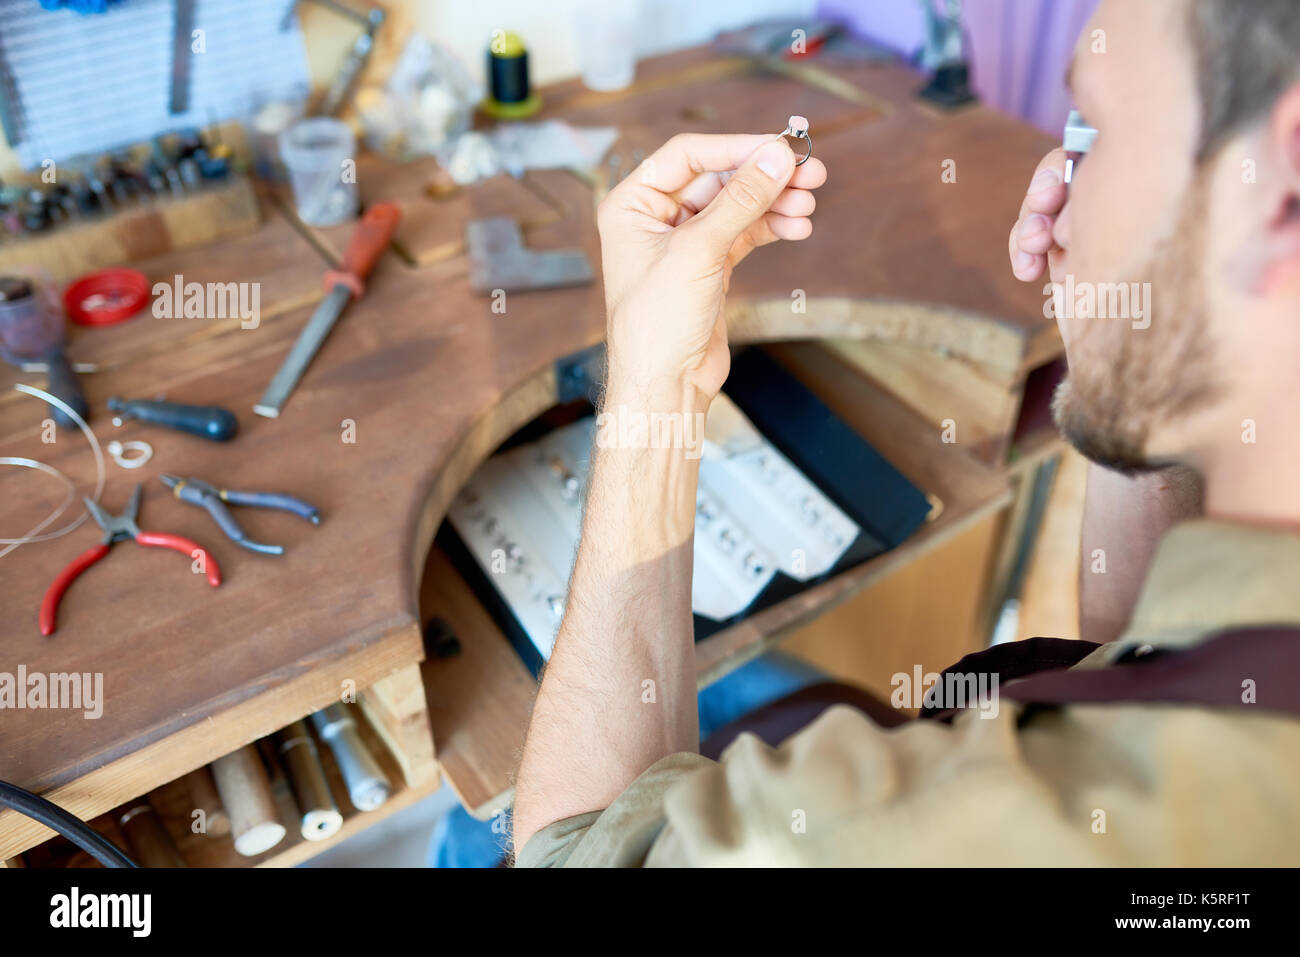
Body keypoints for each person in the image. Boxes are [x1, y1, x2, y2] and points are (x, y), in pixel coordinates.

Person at [511, 0, 1300, 866]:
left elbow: (567, 854)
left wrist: (653, 381)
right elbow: (1129, 662)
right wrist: (1128, 346)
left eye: (1099, 130)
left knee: (470, 828)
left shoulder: (925, 831)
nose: (1060, 197)